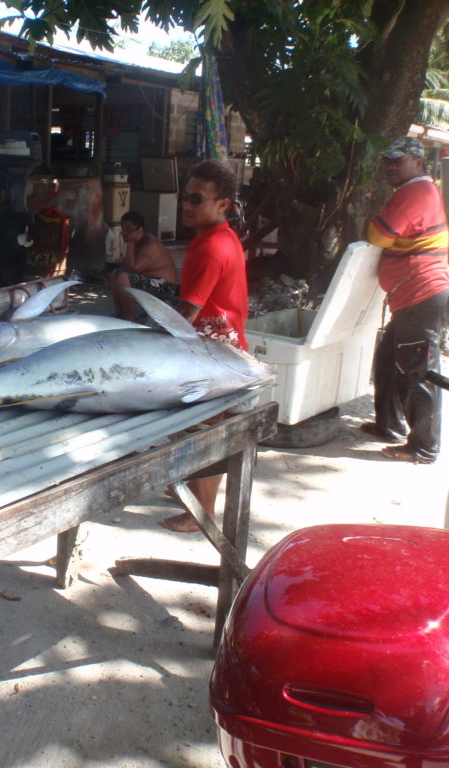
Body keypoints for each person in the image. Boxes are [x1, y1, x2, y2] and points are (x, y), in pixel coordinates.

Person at [160, 160, 250, 533]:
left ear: (222, 204)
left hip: (217, 356)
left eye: (197, 199)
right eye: (186, 197)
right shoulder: (219, 237)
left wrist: (157, 342)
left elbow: (188, 313)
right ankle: (190, 491)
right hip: (220, 348)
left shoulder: (212, 247)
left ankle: (204, 513)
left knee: (206, 434)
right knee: (195, 427)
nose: (187, 205)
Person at [361, 136, 449, 463]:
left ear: (418, 162)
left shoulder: (415, 192)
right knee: (388, 361)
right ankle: (389, 425)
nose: (390, 167)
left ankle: (424, 447)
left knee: (419, 372)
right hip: (411, 297)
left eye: (398, 161)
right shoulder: (417, 192)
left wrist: (375, 223)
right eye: (388, 161)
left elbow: (377, 235)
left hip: (421, 295)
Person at [108, 210, 179, 320]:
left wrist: (130, 243)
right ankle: (119, 313)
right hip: (149, 279)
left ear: (140, 229)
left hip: (165, 286)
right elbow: (126, 266)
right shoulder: (138, 242)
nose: (125, 233)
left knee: (123, 277)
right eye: (123, 230)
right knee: (115, 274)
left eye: (129, 230)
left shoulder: (151, 244)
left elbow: (132, 269)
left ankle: (128, 317)